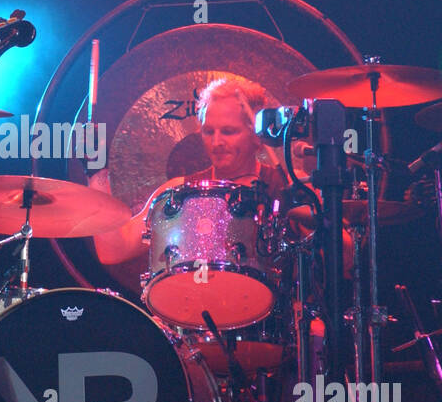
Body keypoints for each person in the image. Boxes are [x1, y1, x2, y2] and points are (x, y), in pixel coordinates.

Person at [91, 78, 294, 266]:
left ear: (257, 135)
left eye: (228, 131)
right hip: (194, 293)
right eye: (208, 131)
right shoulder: (179, 192)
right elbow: (115, 250)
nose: (216, 142)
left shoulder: (287, 187)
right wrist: (96, 169)